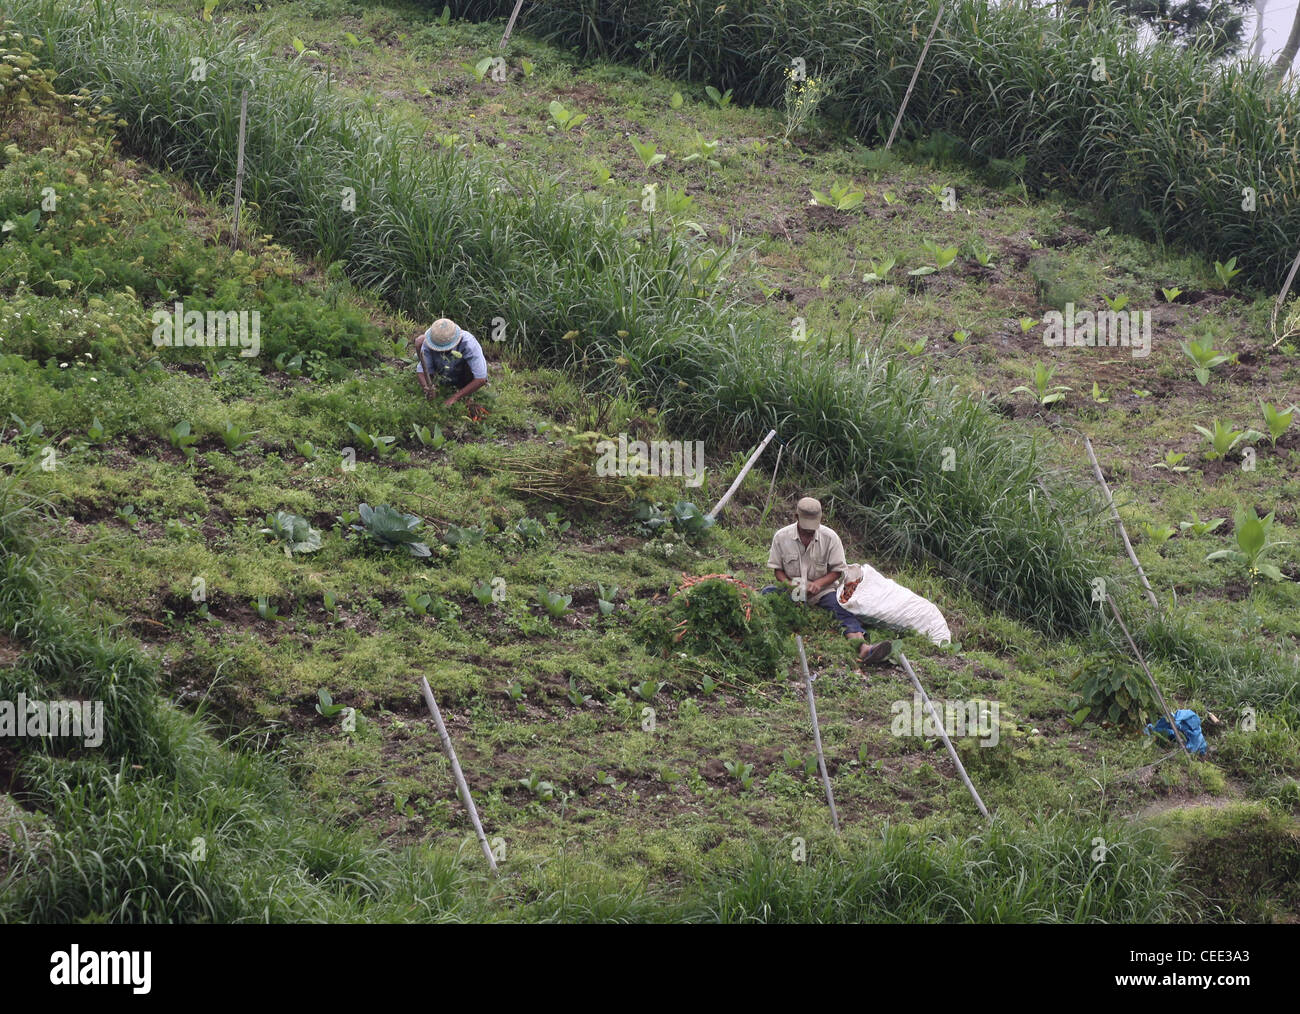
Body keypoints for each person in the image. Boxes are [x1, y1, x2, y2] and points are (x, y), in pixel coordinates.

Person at [765, 496, 892, 665]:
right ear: (796, 517)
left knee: (841, 609)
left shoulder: (830, 538)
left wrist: (818, 584)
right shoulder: (782, 537)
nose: (809, 534)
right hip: (792, 590)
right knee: (767, 594)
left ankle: (863, 648)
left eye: (812, 530)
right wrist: (791, 584)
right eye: (805, 530)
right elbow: (778, 571)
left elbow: (837, 571)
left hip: (823, 592)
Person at [409, 317, 489, 418]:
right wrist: (427, 388)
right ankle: (440, 384)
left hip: (463, 376)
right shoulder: (430, 341)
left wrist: (454, 398)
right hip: (442, 372)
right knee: (419, 342)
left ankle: (464, 391)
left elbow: (481, 378)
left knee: (473, 370)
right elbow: (421, 370)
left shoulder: (468, 343)